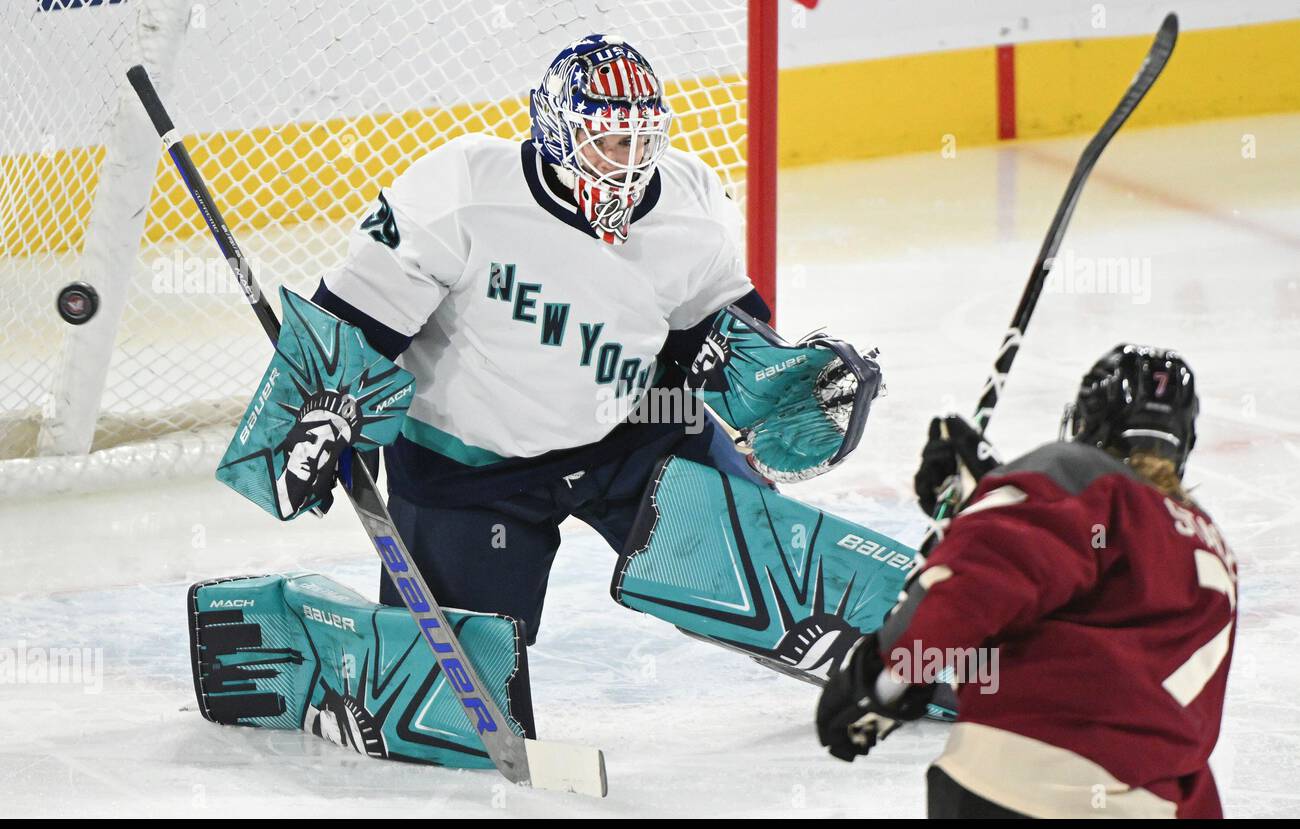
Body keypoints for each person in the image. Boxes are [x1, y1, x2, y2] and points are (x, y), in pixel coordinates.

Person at [219, 34, 882, 648]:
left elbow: (713, 335)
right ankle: (317, 646)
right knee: (458, 679)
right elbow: (354, 316)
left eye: (642, 142)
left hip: (635, 438)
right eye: (608, 142)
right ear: (557, 132)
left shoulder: (691, 201)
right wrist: (312, 414)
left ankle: (910, 640)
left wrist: (779, 378)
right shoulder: (462, 189)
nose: (629, 162)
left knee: (779, 578)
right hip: (473, 470)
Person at [815, 344, 1238, 819]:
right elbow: (1086, 574)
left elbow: (977, 585)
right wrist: (988, 491)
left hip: (1023, 787)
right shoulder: (1211, 545)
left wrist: (882, 678)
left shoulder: (1077, 480)